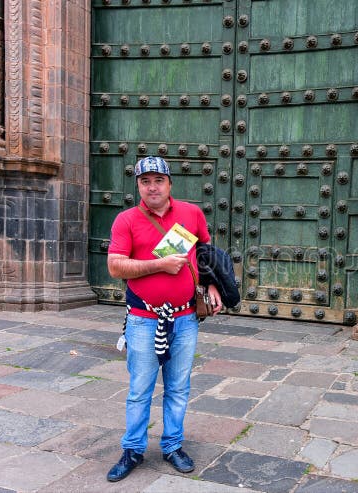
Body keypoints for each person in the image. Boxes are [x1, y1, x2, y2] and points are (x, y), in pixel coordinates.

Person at [105, 156, 222, 482]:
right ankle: (133, 450)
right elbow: (115, 267)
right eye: (145, 181)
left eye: (158, 180)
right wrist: (158, 265)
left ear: (170, 183)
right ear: (138, 186)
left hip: (185, 319)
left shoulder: (190, 214)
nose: (152, 187)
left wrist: (212, 284)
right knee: (140, 389)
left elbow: (205, 253)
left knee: (178, 388)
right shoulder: (126, 220)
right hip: (144, 319)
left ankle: (172, 446)